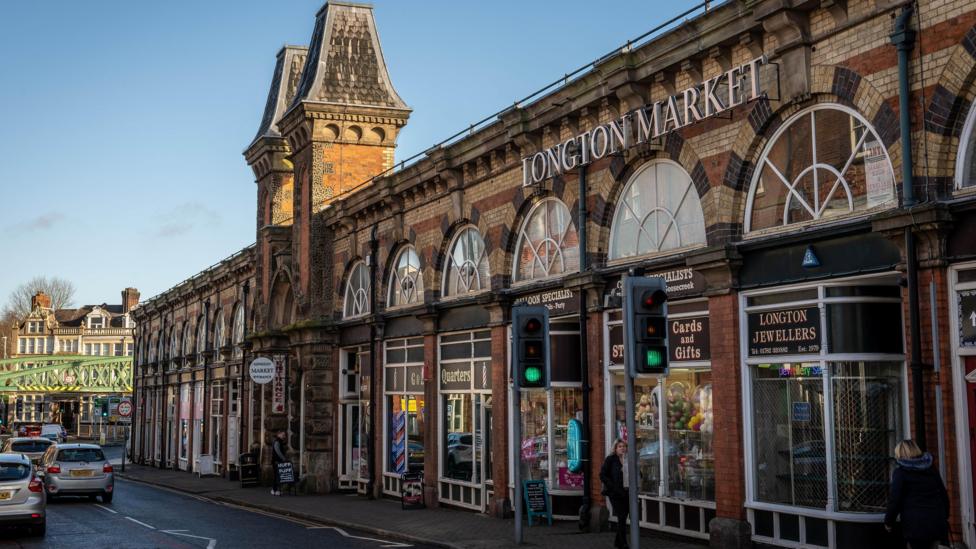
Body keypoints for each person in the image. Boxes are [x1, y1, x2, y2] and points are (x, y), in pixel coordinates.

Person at [884, 439, 949, 549]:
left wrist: (888, 521)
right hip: (936, 522)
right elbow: (943, 494)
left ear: (900, 454)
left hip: (915, 526)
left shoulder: (901, 473)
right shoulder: (931, 469)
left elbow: (895, 500)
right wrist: (944, 516)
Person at [600, 438, 631, 549]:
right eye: (620, 446)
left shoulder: (628, 459)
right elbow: (602, 475)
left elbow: (637, 472)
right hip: (615, 493)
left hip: (627, 492)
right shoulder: (611, 459)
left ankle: (618, 542)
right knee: (621, 517)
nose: (623, 449)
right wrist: (612, 486)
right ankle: (623, 544)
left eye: (624, 446)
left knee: (624, 516)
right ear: (615, 448)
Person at [271, 431, 288, 496]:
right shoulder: (277, 441)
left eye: (284, 435)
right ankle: (274, 490)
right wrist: (284, 459)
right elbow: (278, 452)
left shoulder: (279, 441)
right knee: (276, 476)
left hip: (277, 461)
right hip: (276, 461)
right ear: (279, 434)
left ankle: (277, 490)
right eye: (283, 435)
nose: (284, 436)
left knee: (278, 476)